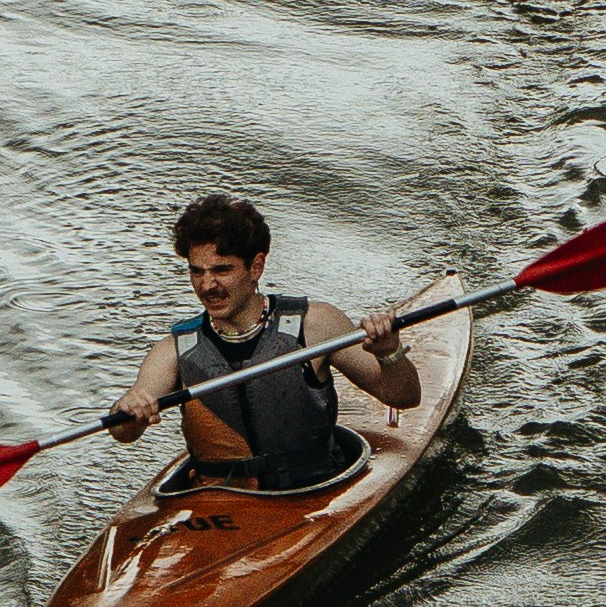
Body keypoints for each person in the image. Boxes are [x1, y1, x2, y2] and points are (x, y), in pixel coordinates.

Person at [101, 191, 416, 499]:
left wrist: (389, 352)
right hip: (219, 502)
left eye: (222, 270)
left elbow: (403, 396)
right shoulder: (172, 350)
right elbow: (123, 433)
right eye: (197, 272)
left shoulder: (315, 325)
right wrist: (127, 408)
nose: (207, 285)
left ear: (256, 267)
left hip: (314, 492)